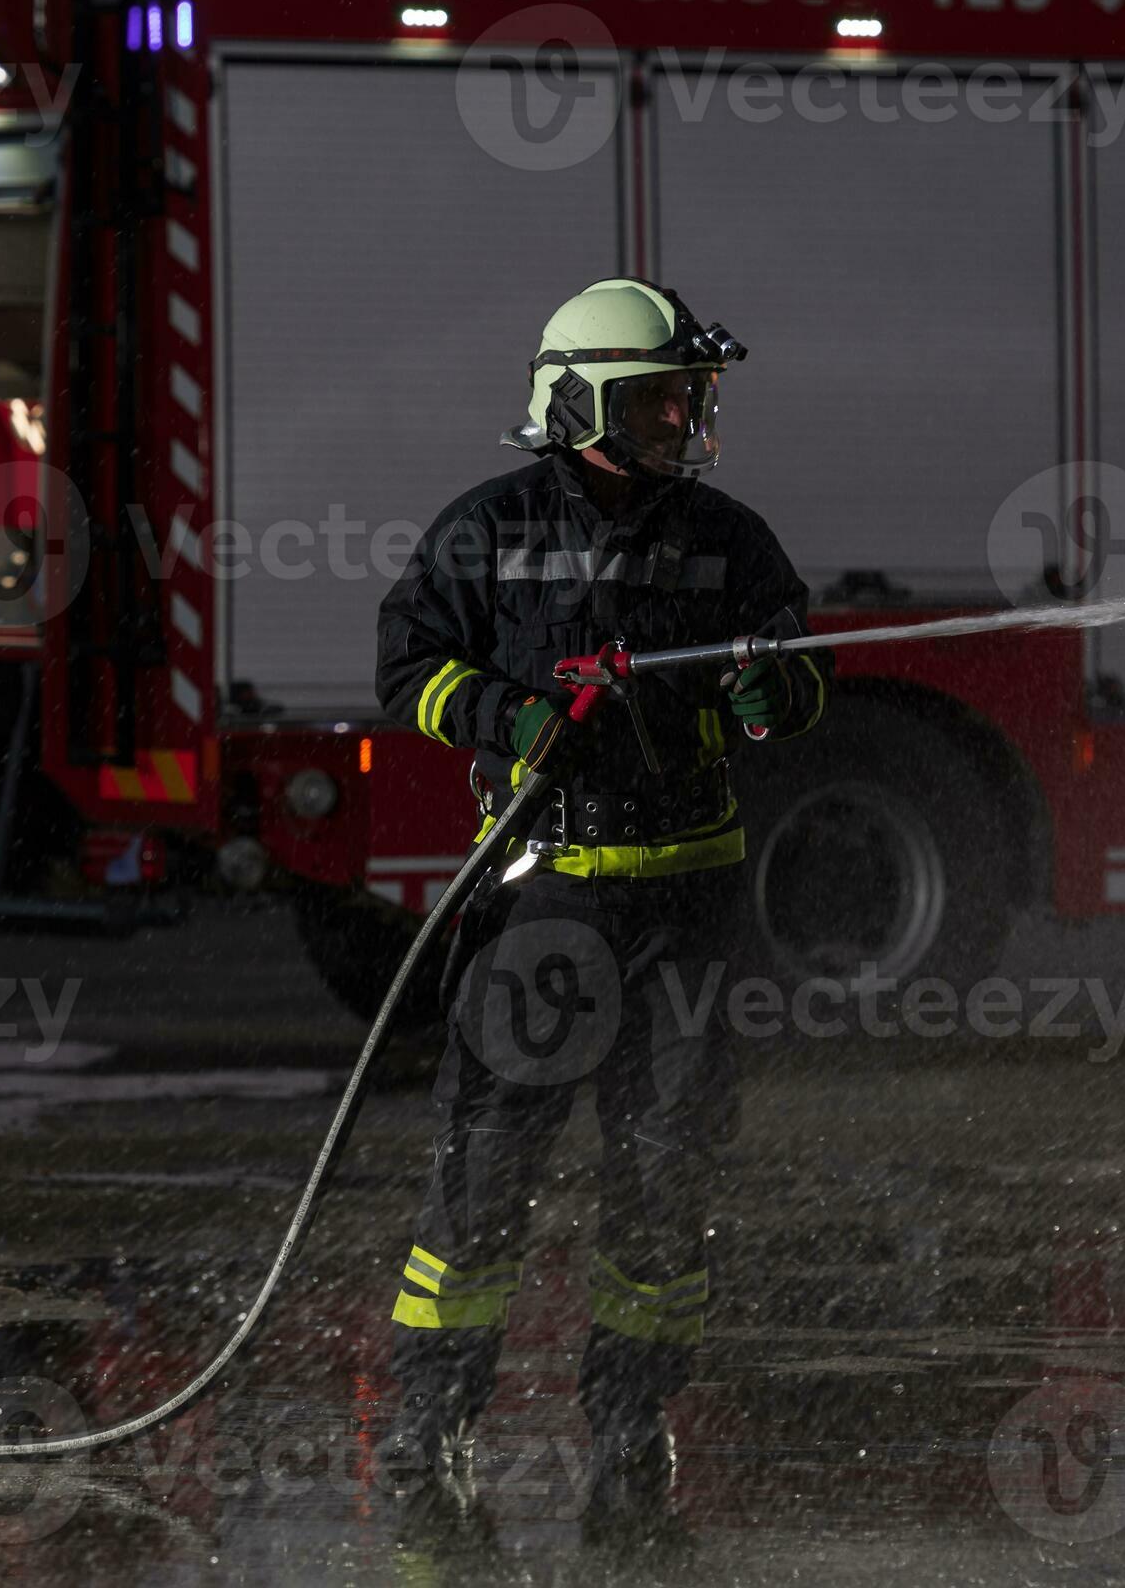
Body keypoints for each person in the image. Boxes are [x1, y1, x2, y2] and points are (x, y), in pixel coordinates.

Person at [373, 278, 828, 1547]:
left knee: (666, 1171)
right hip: (545, 904)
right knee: (487, 1167)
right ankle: (434, 1411)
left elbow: (799, 666)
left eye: (692, 397)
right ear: (579, 403)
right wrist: (508, 715)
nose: (684, 419)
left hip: (686, 905)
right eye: (659, 400)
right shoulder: (489, 529)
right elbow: (406, 663)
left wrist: (772, 696)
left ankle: (632, 1416)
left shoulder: (730, 538)